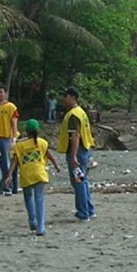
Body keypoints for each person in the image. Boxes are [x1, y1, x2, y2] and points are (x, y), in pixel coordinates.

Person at [9, 119, 60, 236]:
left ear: (26, 131)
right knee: (39, 199)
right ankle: (41, 227)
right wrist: (56, 165)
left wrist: (9, 176)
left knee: (28, 198)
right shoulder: (42, 142)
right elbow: (49, 155)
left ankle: (32, 221)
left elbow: (14, 161)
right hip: (39, 173)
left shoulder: (20, 145)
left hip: (26, 174)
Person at [59, 88, 96, 221]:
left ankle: (83, 212)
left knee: (78, 181)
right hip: (84, 149)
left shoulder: (73, 115)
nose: (64, 98)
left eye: (66, 96)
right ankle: (89, 210)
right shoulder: (81, 112)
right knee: (83, 180)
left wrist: (73, 156)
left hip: (77, 151)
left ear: (73, 97)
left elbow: (75, 136)